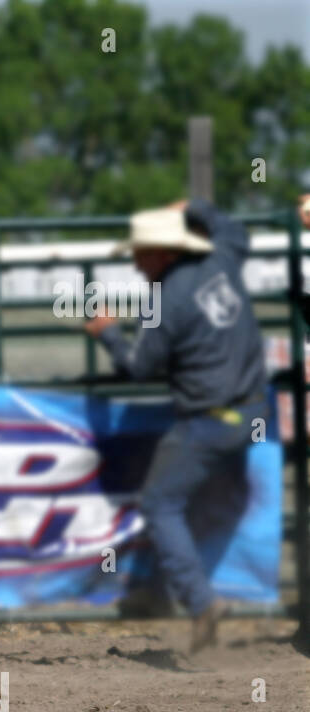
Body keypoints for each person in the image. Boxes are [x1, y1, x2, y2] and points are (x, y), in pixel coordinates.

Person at [84, 199, 267, 652]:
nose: (135, 262)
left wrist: (108, 332)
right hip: (253, 408)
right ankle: (156, 594)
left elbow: (139, 367)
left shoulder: (163, 303)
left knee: (161, 502)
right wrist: (197, 206)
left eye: (141, 253)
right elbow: (234, 228)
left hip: (209, 419)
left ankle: (199, 601)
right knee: (185, 501)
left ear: (164, 254)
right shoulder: (222, 256)